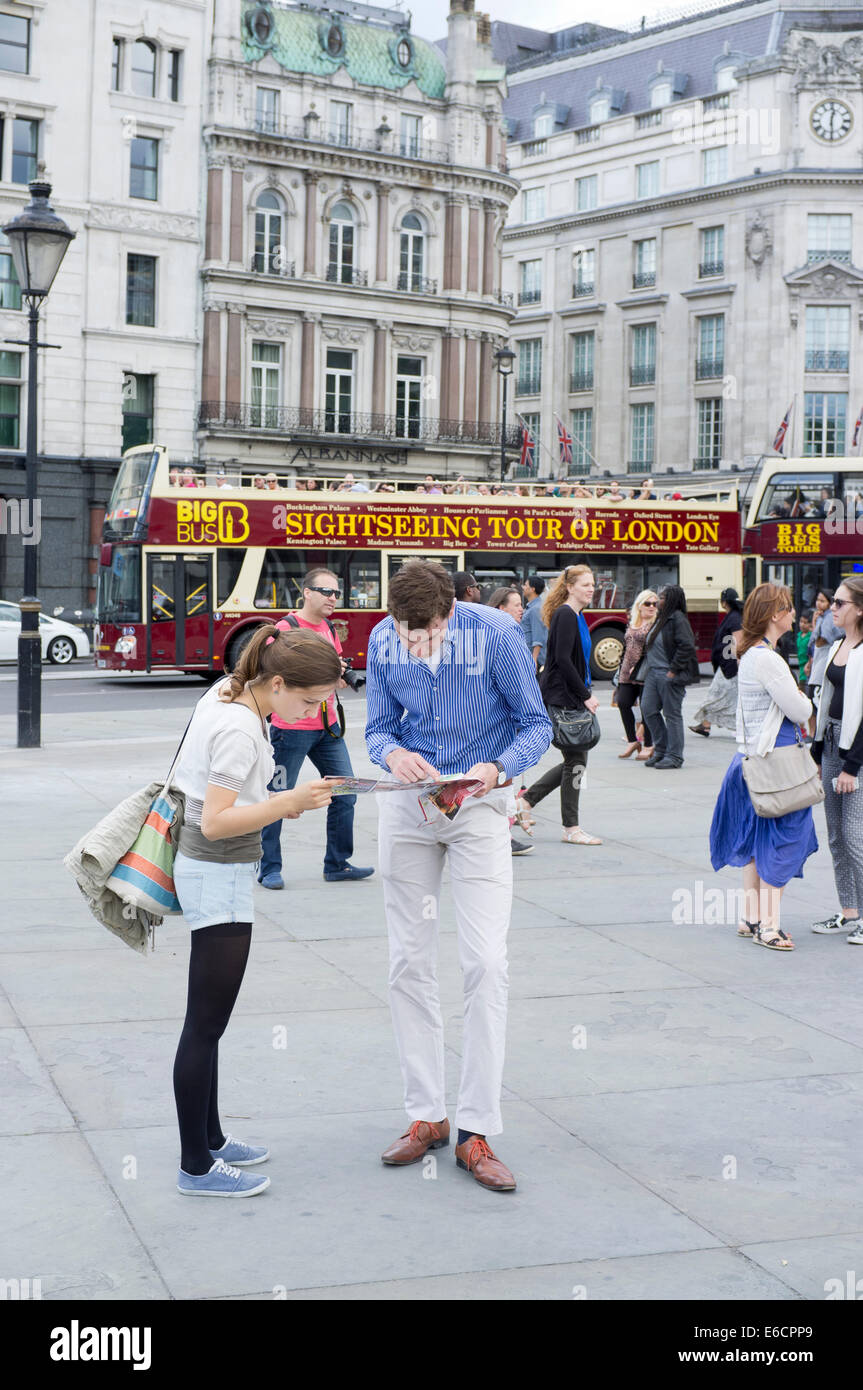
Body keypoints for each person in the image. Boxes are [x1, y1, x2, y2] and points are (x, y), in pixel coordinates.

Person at [365, 560, 552, 1191]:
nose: (415, 645)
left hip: (478, 807)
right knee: (407, 962)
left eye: (429, 634)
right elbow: (375, 726)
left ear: (453, 609)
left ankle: (476, 1129)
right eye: (405, 633)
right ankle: (427, 1116)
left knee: (485, 964)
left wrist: (495, 772)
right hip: (407, 805)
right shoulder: (384, 636)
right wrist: (393, 752)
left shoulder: (496, 633)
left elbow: (537, 725)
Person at [171, 627, 339, 1195]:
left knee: (208, 1026)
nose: (312, 713)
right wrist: (286, 802)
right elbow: (216, 820)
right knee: (204, 1025)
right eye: (310, 701)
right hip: (216, 873)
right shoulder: (241, 727)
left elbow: (224, 805)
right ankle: (195, 1165)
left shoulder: (229, 691)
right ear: (278, 682)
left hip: (214, 868)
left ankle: (212, 1139)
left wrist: (272, 805)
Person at [709, 583, 816, 951]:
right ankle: (769, 925)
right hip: (777, 764)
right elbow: (800, 710)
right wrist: (804, 699)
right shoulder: (769, 659)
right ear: (775, 614)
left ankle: (751, 917)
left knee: (756, 842)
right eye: (788, 607)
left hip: (749, 761)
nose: (793, 613)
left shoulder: (751, 654)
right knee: (786, 840)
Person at [259, 568, 375, 888]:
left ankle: (337, 863)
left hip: (327, 728)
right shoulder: (285, 628)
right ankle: (268, 867)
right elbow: (270, 673)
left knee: (346, 794)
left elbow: (333, 675)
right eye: (326, 591)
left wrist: (340, 675)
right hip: (291, 727)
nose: (333, 598)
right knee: (278, 798)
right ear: (306, 593)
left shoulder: (327, 627)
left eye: (337, 593)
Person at [516, 565, 602, 845]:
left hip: (569, 695)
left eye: (592, 584)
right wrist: (585, 695)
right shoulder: (566, 614)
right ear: (570, 587)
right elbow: (563, 660)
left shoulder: (575, 615)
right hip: (564, 698)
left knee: (574, 760)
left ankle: (528, 801)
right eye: (586, 585)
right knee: (576, 761)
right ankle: (570, 828)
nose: (591, 589)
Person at [810, 577, 863, 943]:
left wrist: (850, 767)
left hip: (854, 754)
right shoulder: (838, 645)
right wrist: (817, 755)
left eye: (841, 603)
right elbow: (825, 704)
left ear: (860, 608)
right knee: (835, 837)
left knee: (855, 835)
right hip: (829, 745)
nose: (833, 608)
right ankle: (850, 912)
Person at [639, 585, 699, 769]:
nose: (658, 600)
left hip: (668, 674)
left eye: (662, 597)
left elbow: (687, 646)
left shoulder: (677, 619)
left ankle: (674, 756)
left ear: (672, 599)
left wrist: (673, 670)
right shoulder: (662, 618)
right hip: (653, 672)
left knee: (672, 715)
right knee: (648, 709)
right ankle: (661, 750)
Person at [690, 587, 744, 737]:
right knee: (720, 695)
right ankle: (705, 725)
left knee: (717, 695)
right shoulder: (734, 616)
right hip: (727, 664)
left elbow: (737, 641)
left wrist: (738, 661)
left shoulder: (734, 618)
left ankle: (709, 725)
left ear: (724, 602)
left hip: (730, 665)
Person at [616, 590, 658, 759]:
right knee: (623, 703)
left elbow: (654, 650)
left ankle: (648, 744)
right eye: (648, 604)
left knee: (645, 707)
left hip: (644, 672)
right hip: (626, 670)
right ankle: (632, 741)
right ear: (639, 606)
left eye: (655, 604)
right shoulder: (632, 622)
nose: (652, 607)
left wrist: (639, 665)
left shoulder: (656, 625)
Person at [521, 574, 548, 671]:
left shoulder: (536, 609)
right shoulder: (532, 607)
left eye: (525, 585)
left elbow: (538, 637)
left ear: (532, 589)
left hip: (534, 660)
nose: (523, 587)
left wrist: (534, 659)